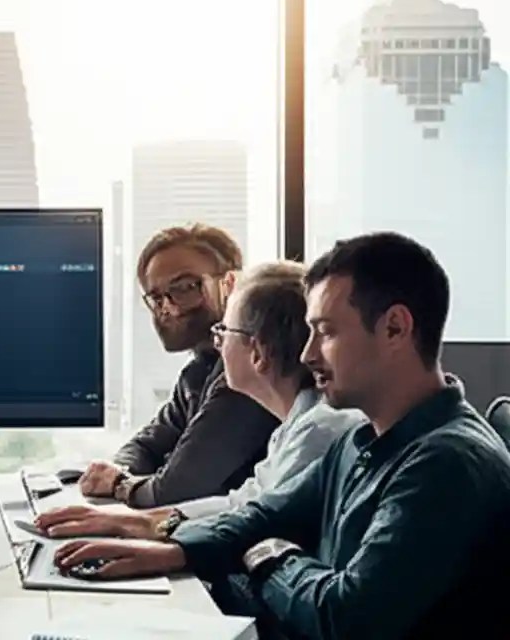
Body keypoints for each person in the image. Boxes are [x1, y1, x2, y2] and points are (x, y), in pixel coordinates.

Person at [53, 232, 510, 640]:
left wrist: (270, 556)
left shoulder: (444, 463)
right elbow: (262, 516)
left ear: (395, 328)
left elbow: (343, 617)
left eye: (326, 333)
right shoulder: (366, 440)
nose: (308, 354)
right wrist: (168, 551)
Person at [37, 261, 363, 540]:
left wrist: (137, 524)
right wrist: (131, 522)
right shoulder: (295, 424)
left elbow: (250, 525)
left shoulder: (319, 432)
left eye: (224, 333)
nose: (217, 345)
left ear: (258, 352)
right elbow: (241, 503)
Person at [75, 224, 278, 508]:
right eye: (156, 298)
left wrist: (119, 484)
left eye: (184, 288)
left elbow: (176, 490)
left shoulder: (250, 371)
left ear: (229, 284)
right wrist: (115, 471)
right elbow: (147, 445)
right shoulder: (198, 373)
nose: (168, 307)